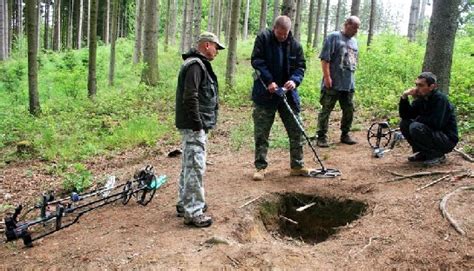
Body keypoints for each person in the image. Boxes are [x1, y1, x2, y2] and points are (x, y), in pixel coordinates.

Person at [251, 15, 312, 181]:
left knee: (297, 130)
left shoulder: (295, 45)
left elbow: (301, 67)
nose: (283, 37)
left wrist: (294, 80)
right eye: (280, 34)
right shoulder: (263, 39)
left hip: (288, 95)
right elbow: (257, 61)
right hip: (265, 94)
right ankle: (260, 167)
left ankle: (297, 166)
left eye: (285, 34)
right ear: (274, 29)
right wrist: (269, 81)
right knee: (261, 133)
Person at [175, 32, 225, 227]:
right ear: (206, 45)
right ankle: (194, 212)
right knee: (195, 166)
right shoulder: (195, 66)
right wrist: (197, 124)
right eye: (216, 47)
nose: (217, 52)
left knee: (189, 164)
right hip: (194, 125)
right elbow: (191, 96)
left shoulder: (196, 64)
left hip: (193, 124)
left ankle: (184, 203)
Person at [315, 16, 361, 148]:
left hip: (348, 83)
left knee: (349, 110)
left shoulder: (354, 42)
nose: (356, 31)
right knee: (326, 109)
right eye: (354, 27)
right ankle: (321, 136)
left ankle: (345, 134)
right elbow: (325, 59)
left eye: (358, 28)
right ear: (347, 24)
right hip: (333, 82)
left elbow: (352, 62)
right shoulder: (333, 37)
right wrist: (327, 77)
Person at [399, 72, 459, 166]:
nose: (417, 88)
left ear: (431, 87)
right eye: (416, 85)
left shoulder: (440, 99)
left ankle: (437, 155)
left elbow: (436, 123)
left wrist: (416, 120)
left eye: (421, 85)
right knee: (404, 123)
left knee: (415, 127)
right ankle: (423, 153)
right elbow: (405, 115)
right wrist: (404, 97)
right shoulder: (421, 98)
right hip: (434, 134)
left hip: (447, 139)